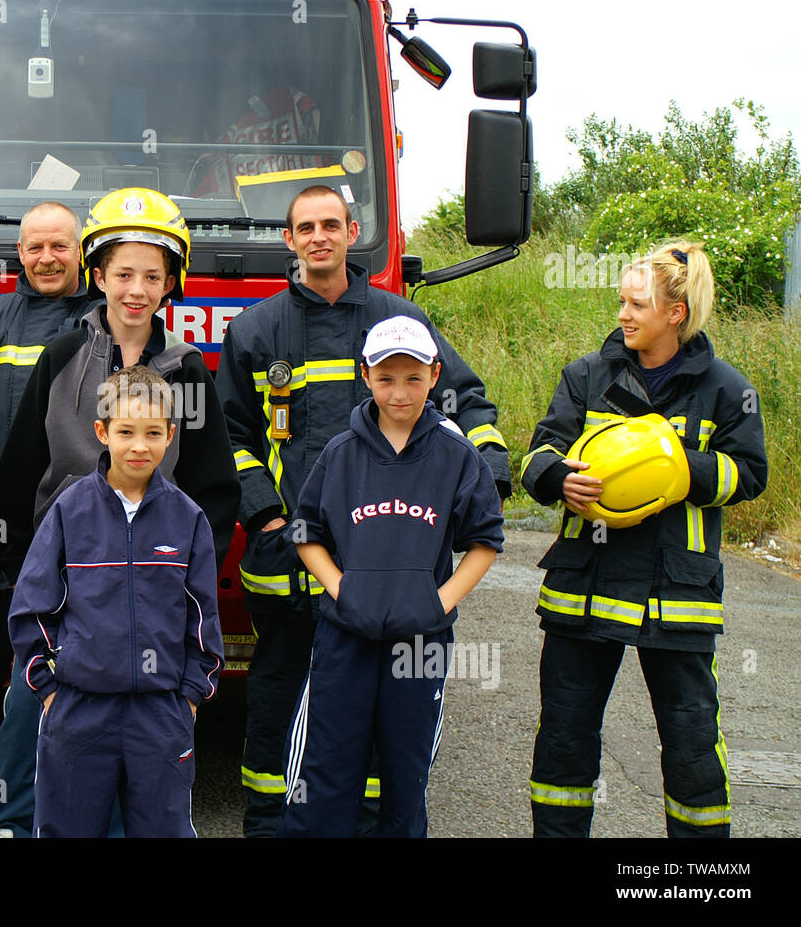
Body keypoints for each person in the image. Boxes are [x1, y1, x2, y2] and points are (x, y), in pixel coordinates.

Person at [215, 183, 511, 836]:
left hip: (384, 573)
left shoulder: (397, 321)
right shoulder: (255, 330)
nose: (319, 237)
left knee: (380, 707)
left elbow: (464, 401)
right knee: (276, 695)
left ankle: (370, 819)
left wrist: (489, 461)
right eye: (305, 227)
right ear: (289, 241)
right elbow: (229, 435)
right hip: (287, 564)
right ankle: (268, 818)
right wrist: (265, 513)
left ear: (353, 233)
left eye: (331, 224)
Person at [0, 187, 240, 837]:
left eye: (151, 276)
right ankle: (12, 826)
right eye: (123, 273)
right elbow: (17, 475)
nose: (136, 289)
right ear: (97, 275)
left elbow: (213, 489)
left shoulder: (186, 373)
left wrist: (182, 585)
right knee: (26, 739)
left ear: (169, 284)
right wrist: (20, 578)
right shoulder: (62, 359)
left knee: (140, 774)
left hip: (152, 606)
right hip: (66, 600)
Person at [520, 241, 767, 837]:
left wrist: (680, 468)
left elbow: (750, 475)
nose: (623, 315)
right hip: (586, 589)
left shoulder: (725, 389)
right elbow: (538, 454)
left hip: (676, 596)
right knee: (564, 739)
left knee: (692, 748)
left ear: (675, 313)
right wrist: (559, 479)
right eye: (622, 302)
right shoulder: (586, 376)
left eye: (637, 304)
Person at [278, 315, 502, 837]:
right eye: (386, 378)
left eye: (413, 377)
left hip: (420, 645)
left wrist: (437, 602)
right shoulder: (341, 453)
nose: (399, 392)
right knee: (325, 774)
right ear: (365, 376)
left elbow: (485, 542)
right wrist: (343, 589)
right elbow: (305, 533)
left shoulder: (457, 455)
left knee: (406, 779)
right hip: (345, 640)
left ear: (435, 375)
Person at [8, 366, 223, 837]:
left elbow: (203, 619)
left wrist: (189, 695)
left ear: (171, 433)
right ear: (102, 432)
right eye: (126, 432)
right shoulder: (69, 510)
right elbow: (32, 606)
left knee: (162, 829)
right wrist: (47, 689)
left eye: (152, 433)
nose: (139, 446)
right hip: (78, 711)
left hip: (160, 714)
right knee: (68, 828)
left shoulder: (187, 519)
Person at [0, 201, 95, 836]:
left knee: (64, 677)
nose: (46, 258)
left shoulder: (100, 325)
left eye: (59, 246)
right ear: (20, 251)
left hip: (67, 540)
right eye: (35, 247)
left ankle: (46, 804)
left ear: (80, 250)